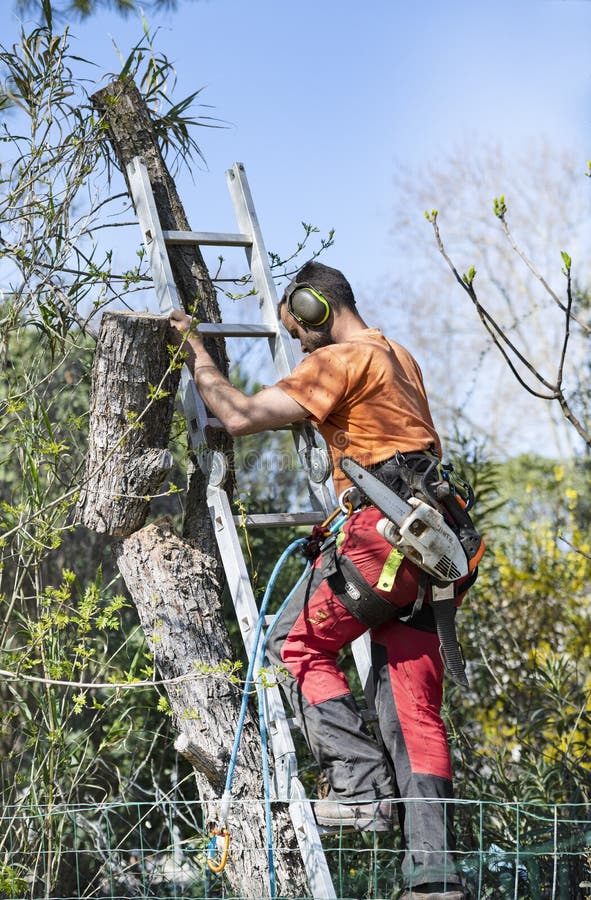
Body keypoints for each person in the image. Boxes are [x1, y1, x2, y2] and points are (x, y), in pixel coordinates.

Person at [169, 261, 467, 900]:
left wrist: (194, 351)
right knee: (413, 709)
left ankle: (359, 787)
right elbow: (398, 454)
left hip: (385, 541)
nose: (301, 347)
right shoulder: (397, 356)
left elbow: (243, 413)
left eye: (299, 333)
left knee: (294, 645)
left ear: (312, 310)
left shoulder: (340, 359)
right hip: (434, 550)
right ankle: (433, 876)